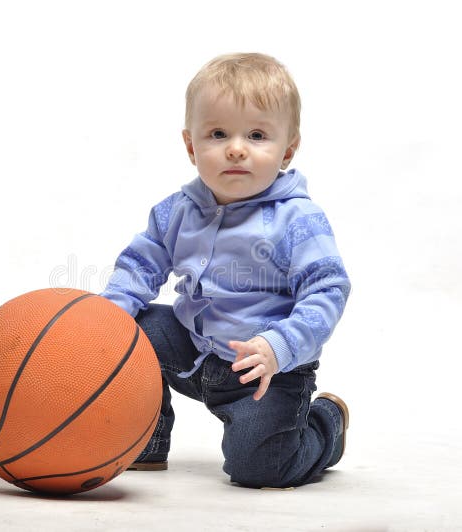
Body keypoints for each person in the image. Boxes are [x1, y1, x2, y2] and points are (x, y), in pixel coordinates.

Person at [100, 52, 351, 489]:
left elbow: (328, 290)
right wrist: (109, 313)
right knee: (129, 330)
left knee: (261, 469)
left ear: (287, 149)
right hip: (193, 348)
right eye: (218, 133)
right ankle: (147, 439)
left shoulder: (297, 220)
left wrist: (280, 346)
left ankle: (326, 423)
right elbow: (140, 264)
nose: (235, 147)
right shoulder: (177, 211)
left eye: (256, 135)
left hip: (262, 368)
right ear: (191, 145)